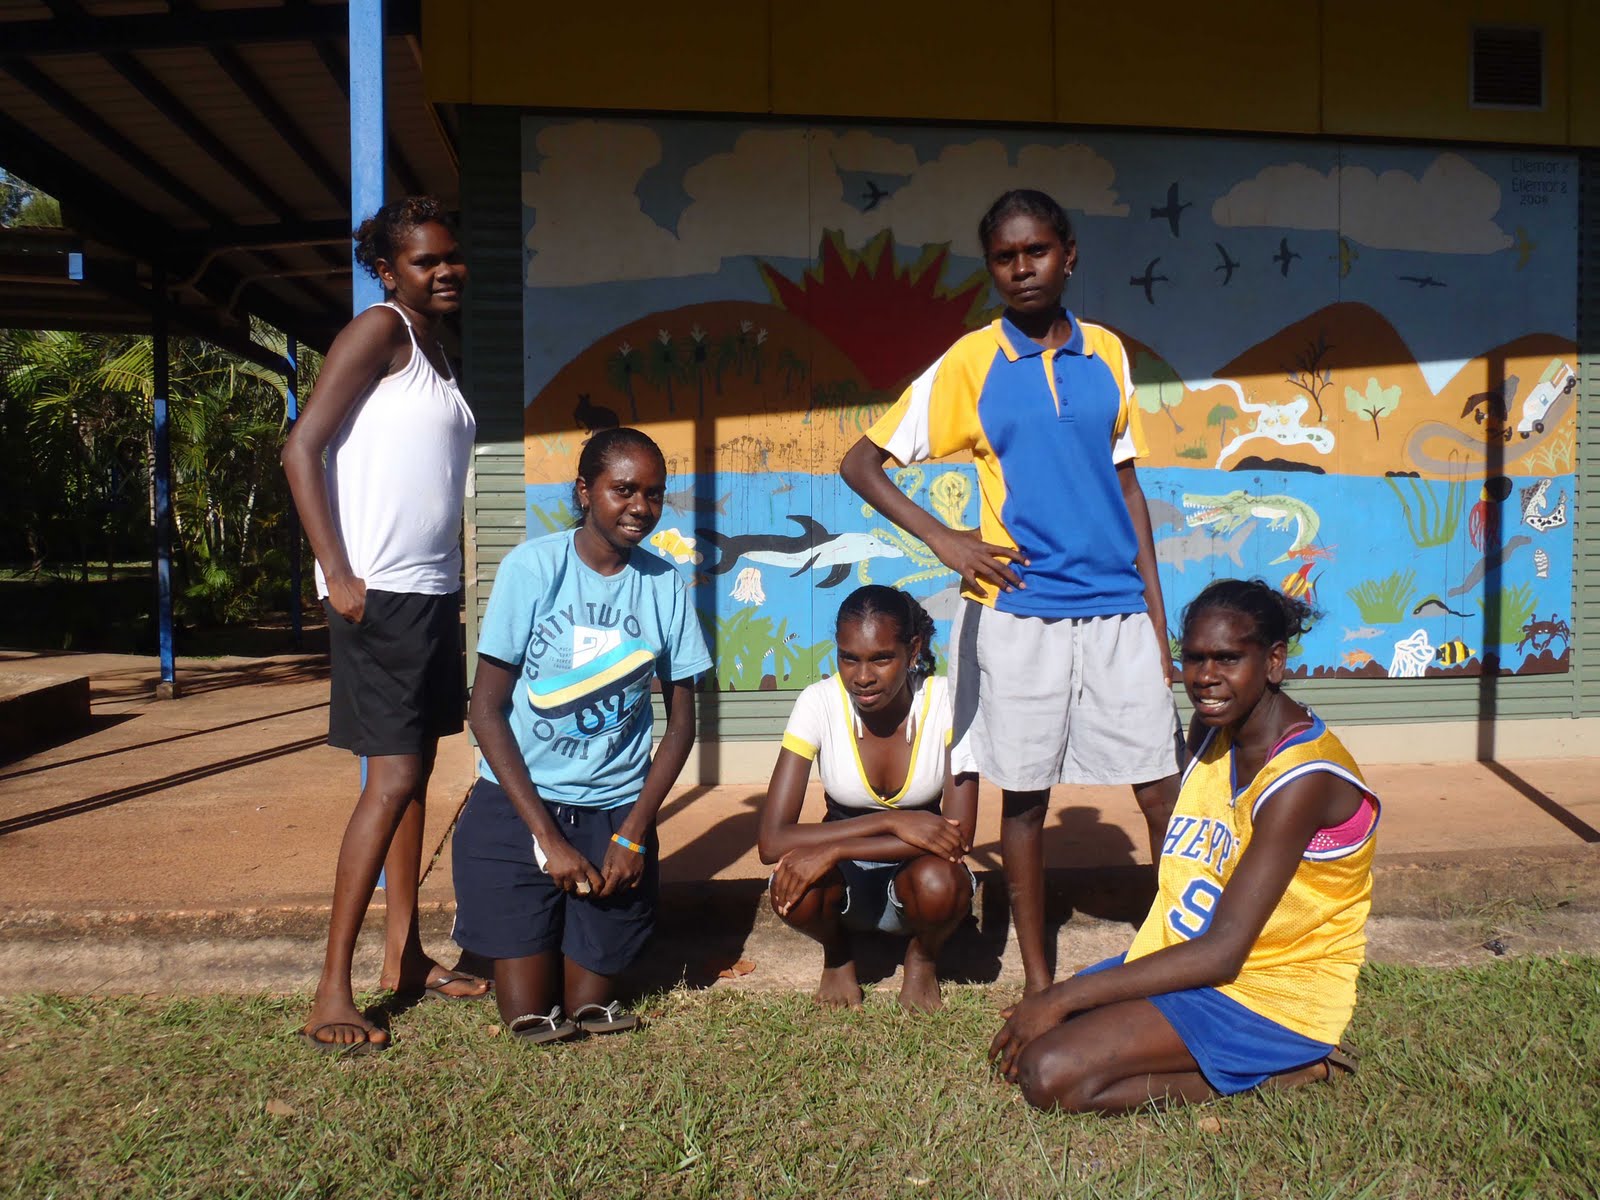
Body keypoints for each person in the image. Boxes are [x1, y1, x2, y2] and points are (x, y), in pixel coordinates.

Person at [840, 188, 1182, 995]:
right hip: (1019, 612)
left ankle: (1179, 954)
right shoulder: (972, 360)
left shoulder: (1109, 355)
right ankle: (1037, 979)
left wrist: (1156, 623)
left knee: (1162, 789)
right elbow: (861, 462)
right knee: (1024, 799)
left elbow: (1128, 492)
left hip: (1117, 610)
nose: (1022, 269)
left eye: (1037, 252)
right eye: (1005, 256)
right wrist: (945, 539)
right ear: (991, 267)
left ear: (1069, 254)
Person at [988, 579, 1378, 1112]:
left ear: (1274, 661)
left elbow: (1223, 952)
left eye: (1227, 658)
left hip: (1272, 995)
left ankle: (1291, 1068)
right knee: (1029, 1043)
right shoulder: (1213, 730)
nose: (1205, 677)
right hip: (1191, 966)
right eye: (1193, 659)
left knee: (1047, 1074)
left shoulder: (1302, 778)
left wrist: (1059, 994)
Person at [282, 196, 485, 1053]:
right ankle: (332, 986)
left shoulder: (436, 349)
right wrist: (337, 572)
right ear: (388, 269)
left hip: (431, 594)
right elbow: (301, 448)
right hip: (382, 594)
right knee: (392, 779)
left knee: (415, 777)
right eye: (424, 261)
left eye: (451, 256)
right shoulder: (379, 329)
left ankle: (405, 958)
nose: (444, 270)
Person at [452, 427, 711, 1043]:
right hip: (518, 810)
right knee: (529, 1011)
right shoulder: (532, 568)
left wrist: (634, 831)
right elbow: (485, 710)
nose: (640, 508)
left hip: (611, 813)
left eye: (653, 493)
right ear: (584, 490)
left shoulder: (664, 585)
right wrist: (547, 839)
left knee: (588, 1006)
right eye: (623, 490)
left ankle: (589, 928)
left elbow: (681, 725)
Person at [759, 586, 978, 1012]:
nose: (862, 676)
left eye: (881, 658)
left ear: (913, 650)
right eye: (848, 658)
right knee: (796, 886)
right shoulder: (818, 703)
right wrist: (889, 821)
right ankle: (838, 955)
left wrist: (835, 844)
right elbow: (771, 841)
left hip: (918, 874)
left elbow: (959, 835)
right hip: (846, 884)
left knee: (941, 881)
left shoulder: (947, 702)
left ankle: (923, 956)